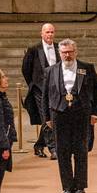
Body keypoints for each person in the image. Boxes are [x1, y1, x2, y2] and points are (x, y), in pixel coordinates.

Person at [45, 38, 97, 193]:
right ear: (59, 53)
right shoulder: (50, 71)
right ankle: (66, 186)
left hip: (81, 113)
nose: (67, 55)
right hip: (59, 113)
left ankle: (80, 186)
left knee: (80, 150)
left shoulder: (87, 68)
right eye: (64, 53)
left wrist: (95, 113)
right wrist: (47, 117)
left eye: (70, 52)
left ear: (75, 52)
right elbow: (45, 96)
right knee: (62, 151)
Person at [21, 22, 60, 158]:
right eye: (47, 32)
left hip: (55, 89)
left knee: (52, 117)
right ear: (41, 34)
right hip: (39, 89)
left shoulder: (58, 47)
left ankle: (39, 145)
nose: (49, 34)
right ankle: (53, 148)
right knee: (46, 117)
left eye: (51, 32)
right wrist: (33, 84)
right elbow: (25, 69)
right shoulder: (33, 49)